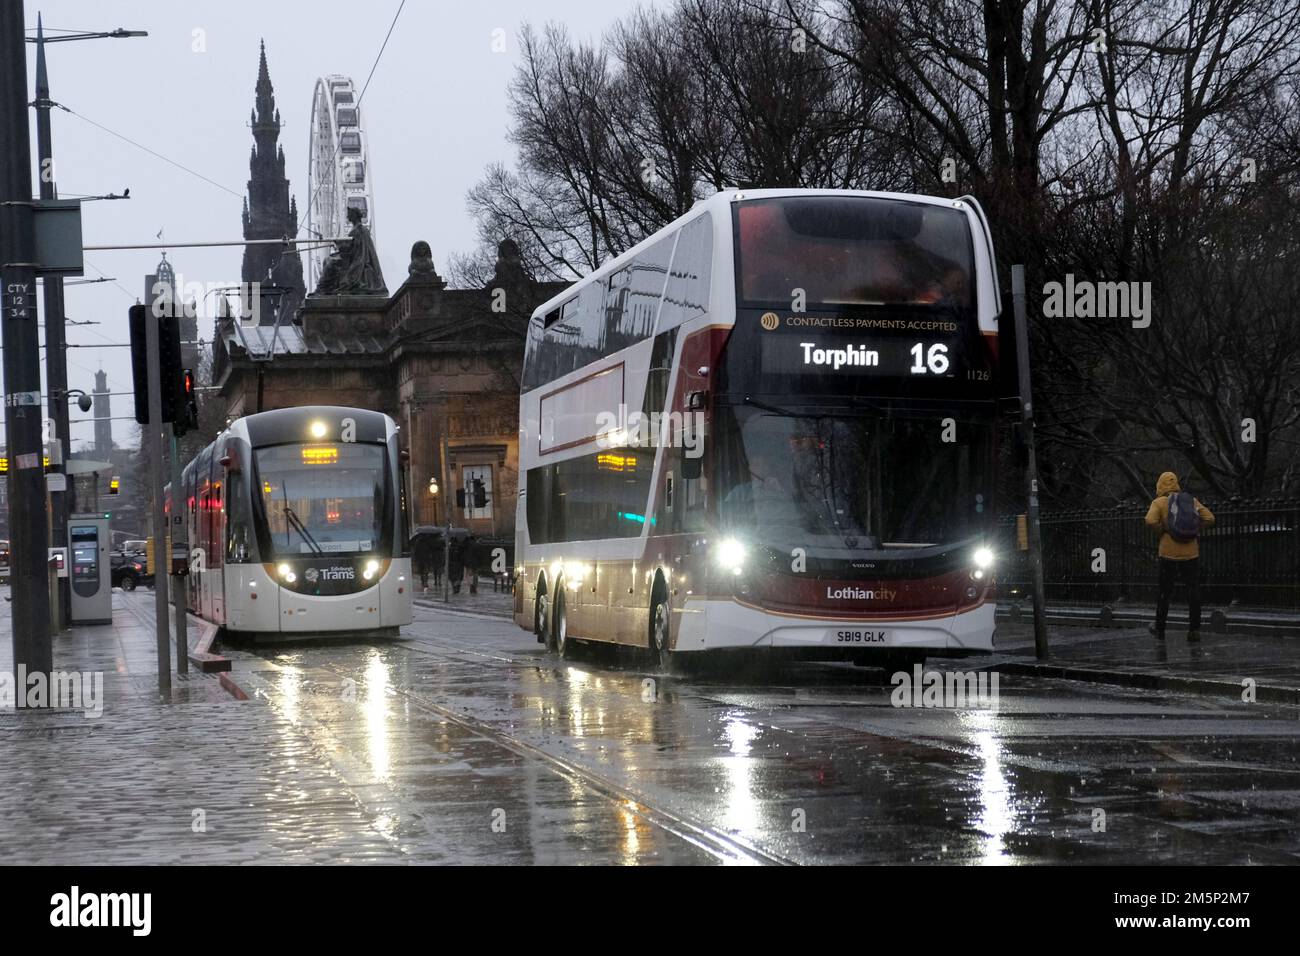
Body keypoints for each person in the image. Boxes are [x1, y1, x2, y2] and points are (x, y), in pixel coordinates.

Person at [1144, 471, 1215, 641]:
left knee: (1164, 592)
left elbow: (1150, 520)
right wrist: (1194, 530)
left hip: (1168, 553)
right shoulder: (1190, 501)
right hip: (1191, 553)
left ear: (1160, 486)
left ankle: (1159, 628)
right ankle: (1194, 629)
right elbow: (1210, 518)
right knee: (1193, 590)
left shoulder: (1159, 502)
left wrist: (1163, 530)